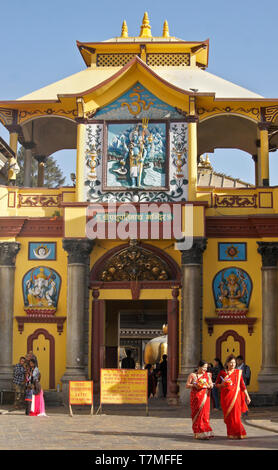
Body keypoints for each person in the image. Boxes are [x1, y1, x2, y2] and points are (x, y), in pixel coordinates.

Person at [216, 354, 251, 439]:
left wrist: (247, 396)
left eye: (234, 362)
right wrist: (222, 384)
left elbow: (242, 386)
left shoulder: (238, 373)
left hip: (236, 397)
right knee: (229, 416)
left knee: (236, 415)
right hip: (225, 397)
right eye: (231, 362)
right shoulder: (222, 372)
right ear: (227, 363)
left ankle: (239, 433)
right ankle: (231, 433)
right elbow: (216, 384)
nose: (233, 364)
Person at [186, 360, 214, 440]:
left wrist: (209, 385)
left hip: (205, 398)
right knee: (196, 415)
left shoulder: (208, 375)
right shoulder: (193, 375)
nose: (205, 369)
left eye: (206, 367)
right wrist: (195, 385)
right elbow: (187, 385)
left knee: (204, 415)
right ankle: (197, 432)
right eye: (203, 367)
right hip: (196, 398)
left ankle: (205, 432)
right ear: (199, 367)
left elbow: (211, 385)